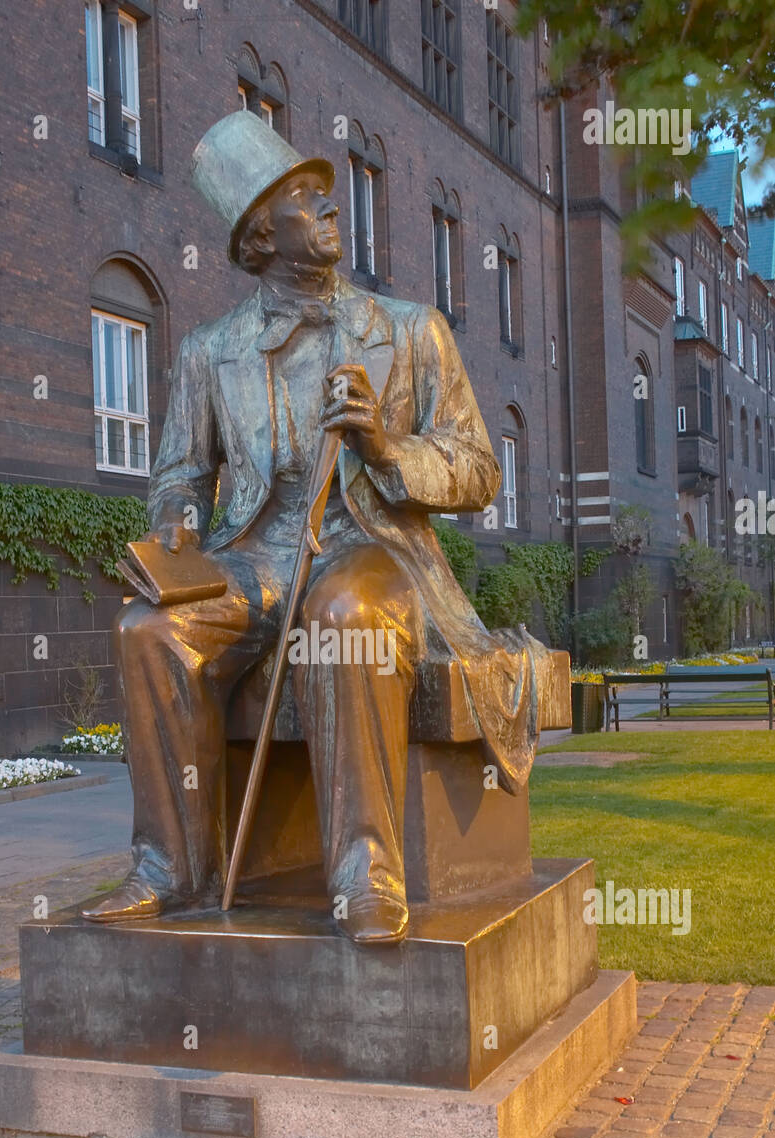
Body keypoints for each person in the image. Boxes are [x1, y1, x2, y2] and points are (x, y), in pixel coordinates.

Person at [84, 110, 548, 945]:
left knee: (345, 619)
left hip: (369, 549)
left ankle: (364, 877)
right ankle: (172, 870)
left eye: (326, 196)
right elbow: (179, 477)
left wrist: (382, 443)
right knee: (148, 629)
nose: (331, 208)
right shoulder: (208, 350)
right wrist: (176, 538)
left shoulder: (408, 331)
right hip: (252, 558)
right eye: (305, 198)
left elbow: (477, 469)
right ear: (260, 234)